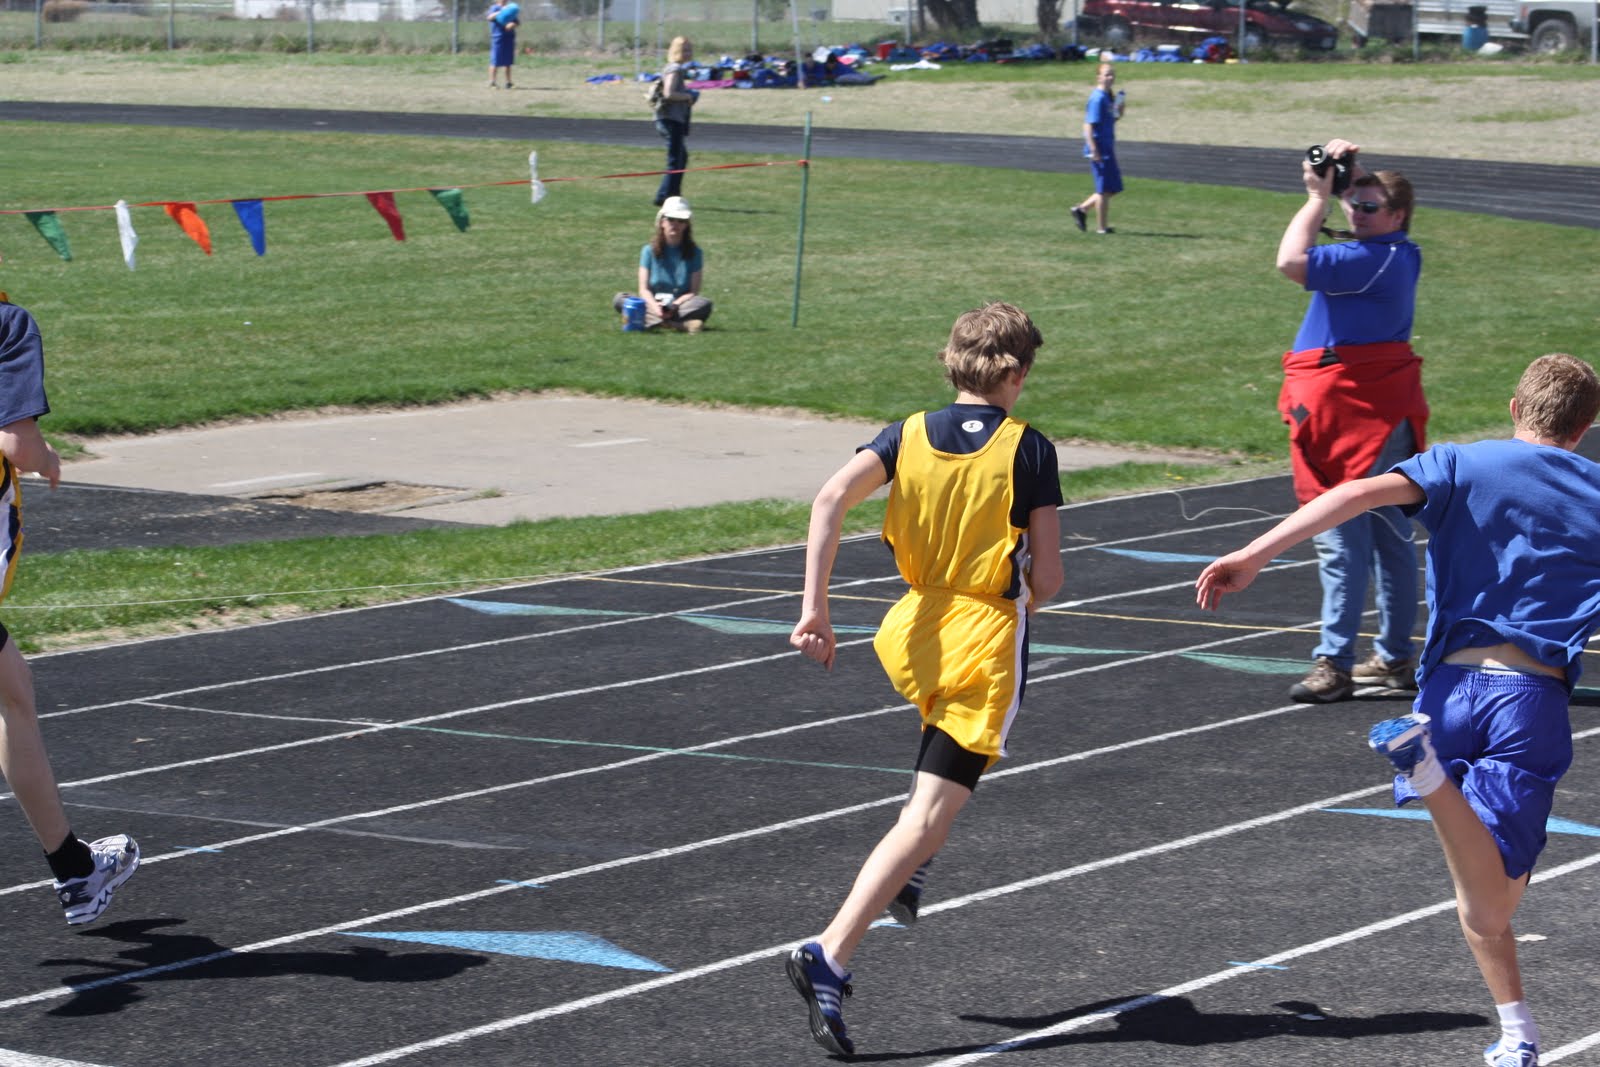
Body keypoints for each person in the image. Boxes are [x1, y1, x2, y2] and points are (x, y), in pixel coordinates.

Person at [1196, 352, 1600, 1067]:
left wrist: (1253, 552)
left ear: (1515, 406)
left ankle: (1518, 1033)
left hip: (1445, 692)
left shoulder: (1458, 462)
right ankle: (1429, 773)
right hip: (1528, 699)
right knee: (1495, 901)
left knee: (1481, 898)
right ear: (1587, 426)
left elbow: (1353, 495)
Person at [785, 302, 1064, 1056]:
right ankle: (831, 953)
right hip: (982, 636)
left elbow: (829, 499)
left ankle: (910, 872)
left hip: (916, 628)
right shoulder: (1028, 450)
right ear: (1014, 373)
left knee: (936, 785)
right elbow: (1053, 576)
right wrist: (1020, 589)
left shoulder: (905, 434)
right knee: (929, 814)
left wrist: (816, 607)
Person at [0, 298, 139, 926]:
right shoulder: (6, 323)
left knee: (13, 693)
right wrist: (46, 455)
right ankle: (75, 870)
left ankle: (75, 869)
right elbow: (17, 444)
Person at [1275, 137, 1427, 704]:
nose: (1357, 215)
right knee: (1388, 539)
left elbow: (1290, 260)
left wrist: (1316, 197)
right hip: (1375, 412)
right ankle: (1393, 657)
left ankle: (1333, 663)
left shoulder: (1368, 259)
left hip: (1356, 420)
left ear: (1397, 216)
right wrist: (1351, 179)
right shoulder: (1395, 251)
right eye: (1352, 205)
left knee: (1340, 537)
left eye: (1369, 208)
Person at [610, 197, 712, 333]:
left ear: (686, 225)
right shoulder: (648, 251)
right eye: (670, 219)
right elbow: (644, 289)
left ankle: (647, 321)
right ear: (662, 222)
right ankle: (678, 325)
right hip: (651, 303)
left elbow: (693, 291)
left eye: (680, 221)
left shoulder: (695, 253)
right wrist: (656, 307)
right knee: (620, 299)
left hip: (678, 306)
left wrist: (674, 305)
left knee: (703, 304)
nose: (675, 224)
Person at [1070, 63, 1125, 235]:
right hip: (1099, 148)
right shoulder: (1097, 98)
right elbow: (1088, 125)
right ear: (1099, 77)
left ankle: (1081, 209)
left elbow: (1109, 120)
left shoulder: (1107, 97)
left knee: (1112, 188)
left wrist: (1120, 112)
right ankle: (1102, 228)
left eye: (1112, 74)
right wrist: (1093, 149)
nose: (1110, 77)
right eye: (1107, 74)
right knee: (1103, 190)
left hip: (1107, 146)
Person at [652, 36, 699, 207]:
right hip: (671, 119)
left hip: (672, 118)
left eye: (689, 49)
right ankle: (664, 196)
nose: (688, 53)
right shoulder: (675, 69)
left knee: (681, 157)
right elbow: (669, 93)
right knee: (675, 159)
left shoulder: (675, 68)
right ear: (676, 51)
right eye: (684, 50)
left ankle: (673, 194)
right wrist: (688, 96)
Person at [486, 0, 520, 89]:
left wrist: (513, 24)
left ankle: (509, 83)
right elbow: (489, 17)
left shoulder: (511, 9)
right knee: (495, 61)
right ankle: (492, 82)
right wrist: (502, 11)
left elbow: (517, 22)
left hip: (509, 37)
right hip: (498, 37)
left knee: (507, 62)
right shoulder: (494, 8)